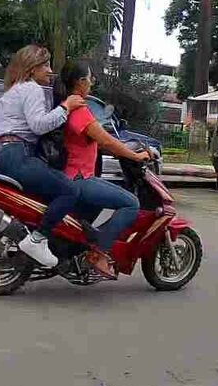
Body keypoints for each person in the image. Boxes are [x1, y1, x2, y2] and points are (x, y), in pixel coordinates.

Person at [0, 45, 86, 267]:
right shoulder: (32, 89)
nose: (50, 71)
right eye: (45, 66)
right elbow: (39, 125)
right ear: (32, 69)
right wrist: (66, 106)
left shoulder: (15, 89)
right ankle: (38, 239)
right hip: (16, 153)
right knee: (70, 190)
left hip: (0, 152)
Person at [56, 60, 149, 278]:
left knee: (90, 215)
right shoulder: (79, 110)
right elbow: (106, 140)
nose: (92, 81)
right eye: (90, 78)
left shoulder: (70, 105)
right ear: (80, 82)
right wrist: (135, 155)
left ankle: (76, 250)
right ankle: (99, 251)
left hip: (74, 177)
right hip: (78, 179)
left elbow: (97, 140)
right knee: (130, 203)